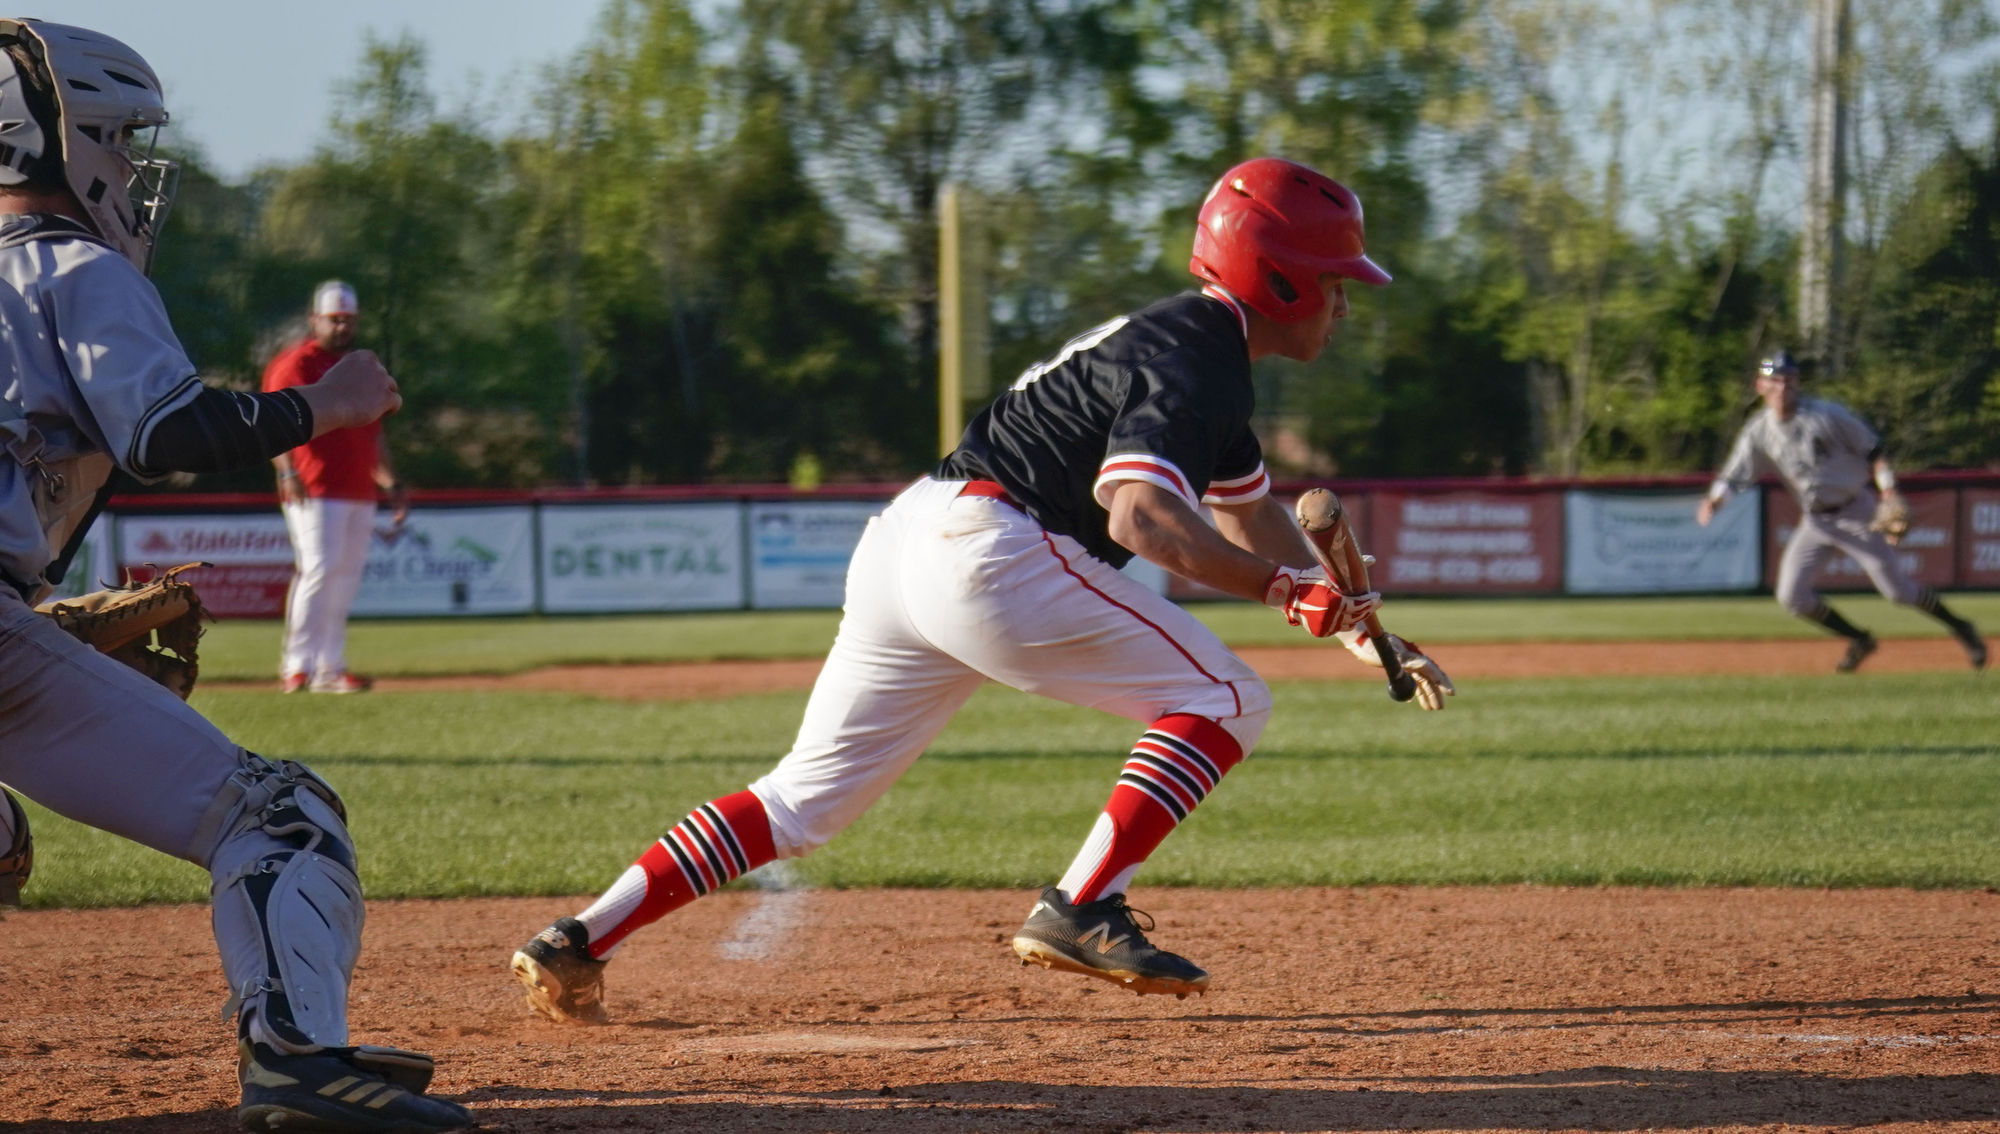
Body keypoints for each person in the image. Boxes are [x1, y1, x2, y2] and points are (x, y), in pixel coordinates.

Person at [510, 157, 1449, 1025]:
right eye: (1332, 283)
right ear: (1276, 278)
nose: (1342, 305)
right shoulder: (1197, 357)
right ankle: (1081, 904)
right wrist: (1290, 592)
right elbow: (1139, 520)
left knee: (802, 801)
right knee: (1229, 696)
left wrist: (1364, 636)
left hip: (911, 540)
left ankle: (581, 938)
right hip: (993, 551)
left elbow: (1250, 518)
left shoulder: (1198, 350)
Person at [0, 20, 471, 1132]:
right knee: (283, 813)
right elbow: (168, 433)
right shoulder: (70, 269)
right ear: (66, 140)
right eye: (120, 139)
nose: (132, 170)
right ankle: (298, 1061)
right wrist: (331, 402)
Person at [1698, 351, 1986, 672]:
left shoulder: (1825, 415)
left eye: (1789, 380)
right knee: (1792, 597)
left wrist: (1888, 491)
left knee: (1898, 592)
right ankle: (1859, 639)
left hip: (1857, 512)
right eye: (1775, 381)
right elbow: (1735, 475)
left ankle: (1962, 627)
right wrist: (1714, 501)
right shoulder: (1758, 431)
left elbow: (1874, 450)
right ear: (1760, 386)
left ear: (1798, 382)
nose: (1782, 387)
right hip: (1816, 522)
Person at [264, 281, 407, 693]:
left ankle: (330, 666)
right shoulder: (295, 364)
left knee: (344, 578)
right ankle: (297, 665)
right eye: (334, 319)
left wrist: (391, 482)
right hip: (314, 487)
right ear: (315, 320)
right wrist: (286, 472)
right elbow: (274, 426)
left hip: (359, 489)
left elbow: (374, 434)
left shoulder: (363, 368)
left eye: (349, 319)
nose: (342, 326)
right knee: (318, 571)